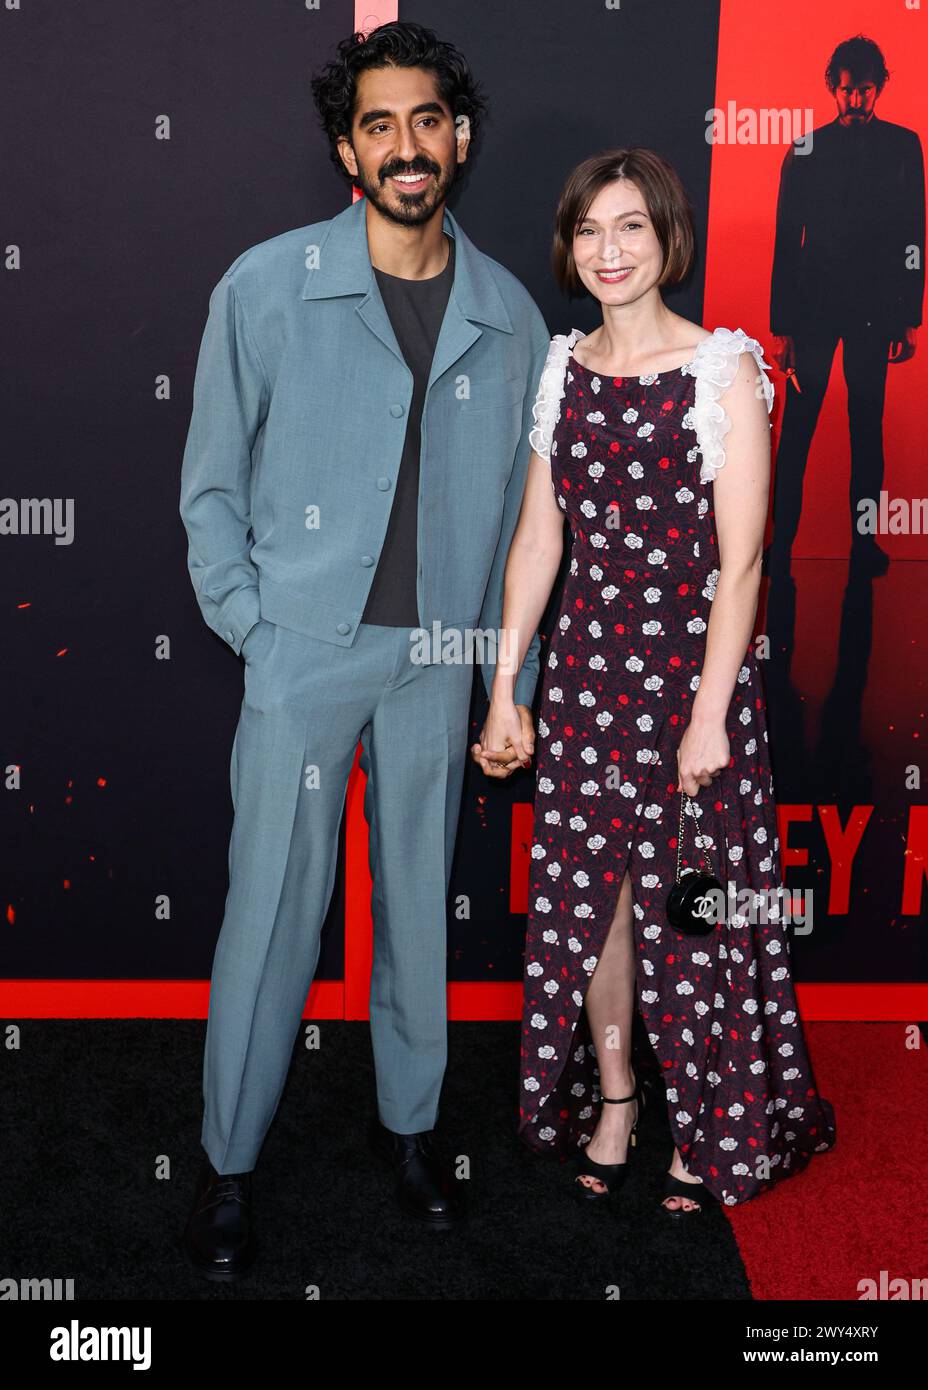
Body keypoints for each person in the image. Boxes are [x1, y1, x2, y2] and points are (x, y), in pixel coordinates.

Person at [178, 20, 548, 1280]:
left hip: (441, 659)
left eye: (428, 120)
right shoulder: (267, 285)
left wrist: (507, 678)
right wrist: (251, 624)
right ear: (347, 147)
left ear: (461, 136)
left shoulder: (507, 311)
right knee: (272, 910)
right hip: (303, 652)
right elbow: (209, 484)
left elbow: (519, 525)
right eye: (379, 123)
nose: (407, 145)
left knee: (417, 920)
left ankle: (410, 1132)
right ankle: (228, 1163)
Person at [472, 148, 837, 1213]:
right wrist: (506, 687)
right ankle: (620, 1098)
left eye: (629, 227)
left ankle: (712, 1117)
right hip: (585, 678)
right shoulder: (561, 365)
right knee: (595, 907)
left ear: (667, 236)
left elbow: (745, 561)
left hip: (690, 682)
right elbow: (539, 540)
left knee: (693, 908)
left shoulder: (722, 366)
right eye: (588, 231)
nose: (608, 250)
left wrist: (711, 715)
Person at [768, 34, 924, 578]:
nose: (855, 101)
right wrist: (783, 326)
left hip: (874, 308)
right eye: (846, 91)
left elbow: (913, 235)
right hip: (812, 308)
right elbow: (787, 237)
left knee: (867, 427)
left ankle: (864, 544)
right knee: (798, 430)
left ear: (879, 88)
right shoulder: (806, 148)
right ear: (832, 88)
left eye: (864, 91)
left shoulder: (905, 145)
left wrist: (908, 315)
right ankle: (780, 544)